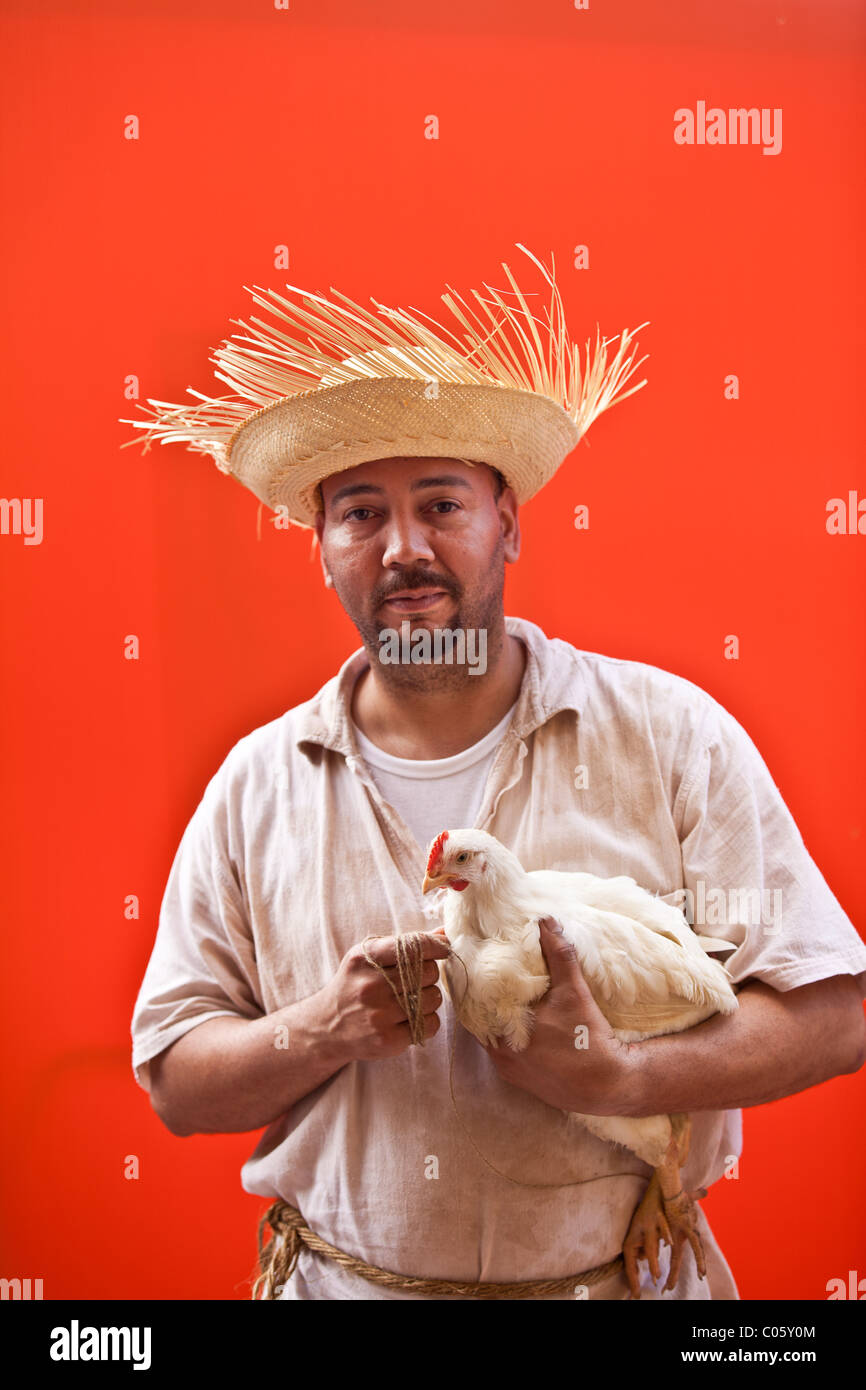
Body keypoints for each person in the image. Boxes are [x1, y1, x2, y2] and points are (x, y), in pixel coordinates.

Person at [124, 250, 866, 1300]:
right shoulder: (258, 787)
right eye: (360, 514)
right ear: (321, 547)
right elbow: (175, 1084)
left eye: (440, 504)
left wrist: (623, 1077)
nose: (401, 549)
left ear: (506, 519)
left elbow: (835, 1013)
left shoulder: (665, 734)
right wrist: (319, 1030)